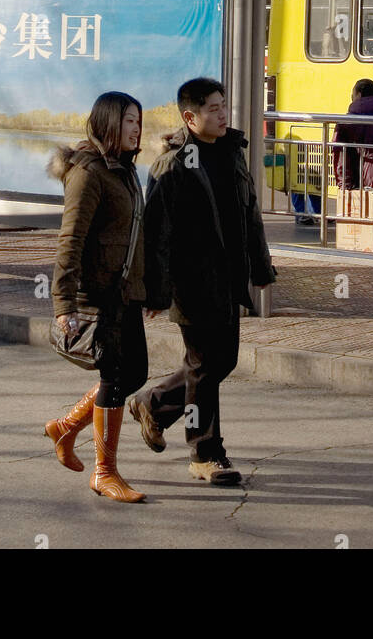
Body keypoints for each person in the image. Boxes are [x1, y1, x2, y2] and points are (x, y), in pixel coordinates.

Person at [133, 78, 276, 486]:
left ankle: (154, 403)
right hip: (191, 282)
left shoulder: (232, 151)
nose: (222, 113)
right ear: (189, 116)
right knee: (202, 367)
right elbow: (155, 233)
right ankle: (205, 452)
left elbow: (250, 217)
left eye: (223, 105)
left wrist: (261, 268)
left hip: (228, 276)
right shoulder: (172, 165)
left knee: (221, 362)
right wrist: (156, 290)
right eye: (213, 108)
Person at [45, 91, 148, 503]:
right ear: (107, 123)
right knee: (114, 378)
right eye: (128, 120)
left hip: (126, 291)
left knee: (135, 373)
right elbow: (71, 240)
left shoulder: (123, 169)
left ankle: (66, 427)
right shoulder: (87, 173)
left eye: (139, 120)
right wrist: (63, 304)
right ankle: (104, 472)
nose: (136, 128)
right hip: (99, 293)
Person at [333, 79, 373, 251]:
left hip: (364, 178)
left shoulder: (347, 120)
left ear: (357, 94)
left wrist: (344, 185)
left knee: (365, 226)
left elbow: (340, 156)